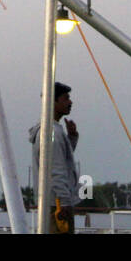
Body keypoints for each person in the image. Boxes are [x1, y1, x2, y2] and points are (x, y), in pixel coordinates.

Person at [27, 82, 81, 234]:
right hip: (56, 203)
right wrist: (64, 202)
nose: (70, 102)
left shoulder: (52, 129)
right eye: (65, 98)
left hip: (53, 201)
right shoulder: (52, 132)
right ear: (52, 101)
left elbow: (59, 159)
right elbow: (56, 169)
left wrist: (71, 138)